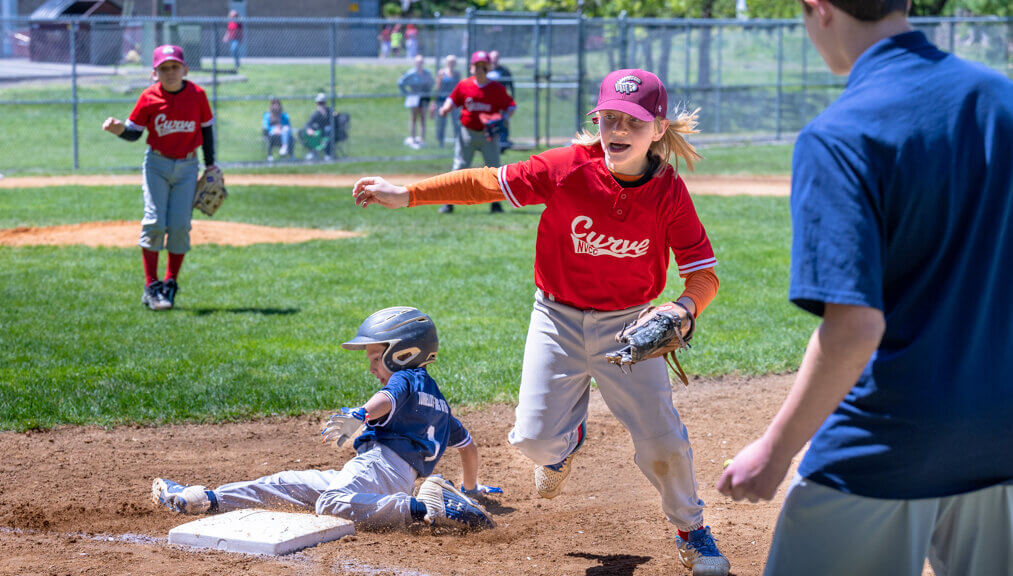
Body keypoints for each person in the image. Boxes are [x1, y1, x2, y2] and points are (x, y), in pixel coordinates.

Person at [352, 69, 731, 576]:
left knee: (661, 441)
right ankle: (566, 443)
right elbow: (487, 180)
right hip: (556, 317)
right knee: (532, 441)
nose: (618, 130)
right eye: (609, 119)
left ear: (658, 129)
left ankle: (692, 531)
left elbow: (702, 274)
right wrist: (408, 194)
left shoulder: (668, 192)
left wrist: (683, 309)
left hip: (629, 327)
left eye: (633, 122)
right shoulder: (568, 168)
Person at [716, 0, 1013, 574]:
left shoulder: (841, 133)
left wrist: (774, 452)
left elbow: (855, 328)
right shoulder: (1002, 101)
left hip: (885, 445)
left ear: (819, 8)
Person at [152, 307, 501, 532]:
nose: (371, 366)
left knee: (330, 502)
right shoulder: (441, 407)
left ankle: (423, 507)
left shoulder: (408, 377)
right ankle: (204, 498)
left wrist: (360, 414)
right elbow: (468, 448)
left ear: (404, 353)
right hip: (387, 477)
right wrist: (471, 490)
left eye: (377, 357)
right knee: (289, 484)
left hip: (380, 467)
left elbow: (387, 397)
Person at [101, 45, 215, 312]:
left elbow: (207, 130)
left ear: (185, 69)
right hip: (157, 164)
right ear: (155, 73)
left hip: (188, 166)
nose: (170, 72)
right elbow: (134, 132)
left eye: (175, 67)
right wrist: (119, 130)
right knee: (154, 222)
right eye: (164, 68)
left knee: (179, 226)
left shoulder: (198, 95)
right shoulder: (149, 97)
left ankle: (170, 284)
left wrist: (211, 167)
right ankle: (151, 286)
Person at [435, 51, 515, 214]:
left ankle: (496, 204)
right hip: (467, 133)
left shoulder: (496, 88)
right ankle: (449, 203)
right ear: (471, 68)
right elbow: (453, 99)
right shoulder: (464, 85)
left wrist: (504, 117)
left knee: (493, 170)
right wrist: (444, 109)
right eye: (476, 66)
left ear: (488, 68)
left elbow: (511, 105)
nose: (479, 69)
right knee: (459, 168)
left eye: (483, 66)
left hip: (489, 134)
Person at [397, 54, 435, 149]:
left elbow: (431, 82)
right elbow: (400, 82)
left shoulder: (427, 73)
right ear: (415, 63)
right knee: (414, 118)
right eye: (418, 62)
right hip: (414, 97)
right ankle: (413, 138)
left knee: (423, 118)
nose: (420, 64)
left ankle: (422, 139)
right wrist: (407, 93)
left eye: (421, 62)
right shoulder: (411, 73)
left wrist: (427, 90)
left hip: (424, 97)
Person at [432, 54, 461, 149]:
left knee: (456, 123)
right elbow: (437, 88)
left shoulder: (457, 74)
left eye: (453, 62)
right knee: (441, 123)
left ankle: (457, 143)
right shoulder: (441, 73)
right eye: (450, 62)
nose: (451, 64)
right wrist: (433, 103)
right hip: (442, 102)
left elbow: (459, 88)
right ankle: (441, 143)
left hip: (454, 102)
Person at [299, 93, 334, 161]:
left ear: (325, 103)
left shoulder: (330, 111)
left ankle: (328, 154)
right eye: (319, 103)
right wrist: (309, 129)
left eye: (322, 103)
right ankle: (312, 152)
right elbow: (307, 124)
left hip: (330, 133)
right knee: (307, 132)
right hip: (319, 133)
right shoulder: (316, 114)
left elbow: (335, 121)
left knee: (328, 129)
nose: (321, 105)